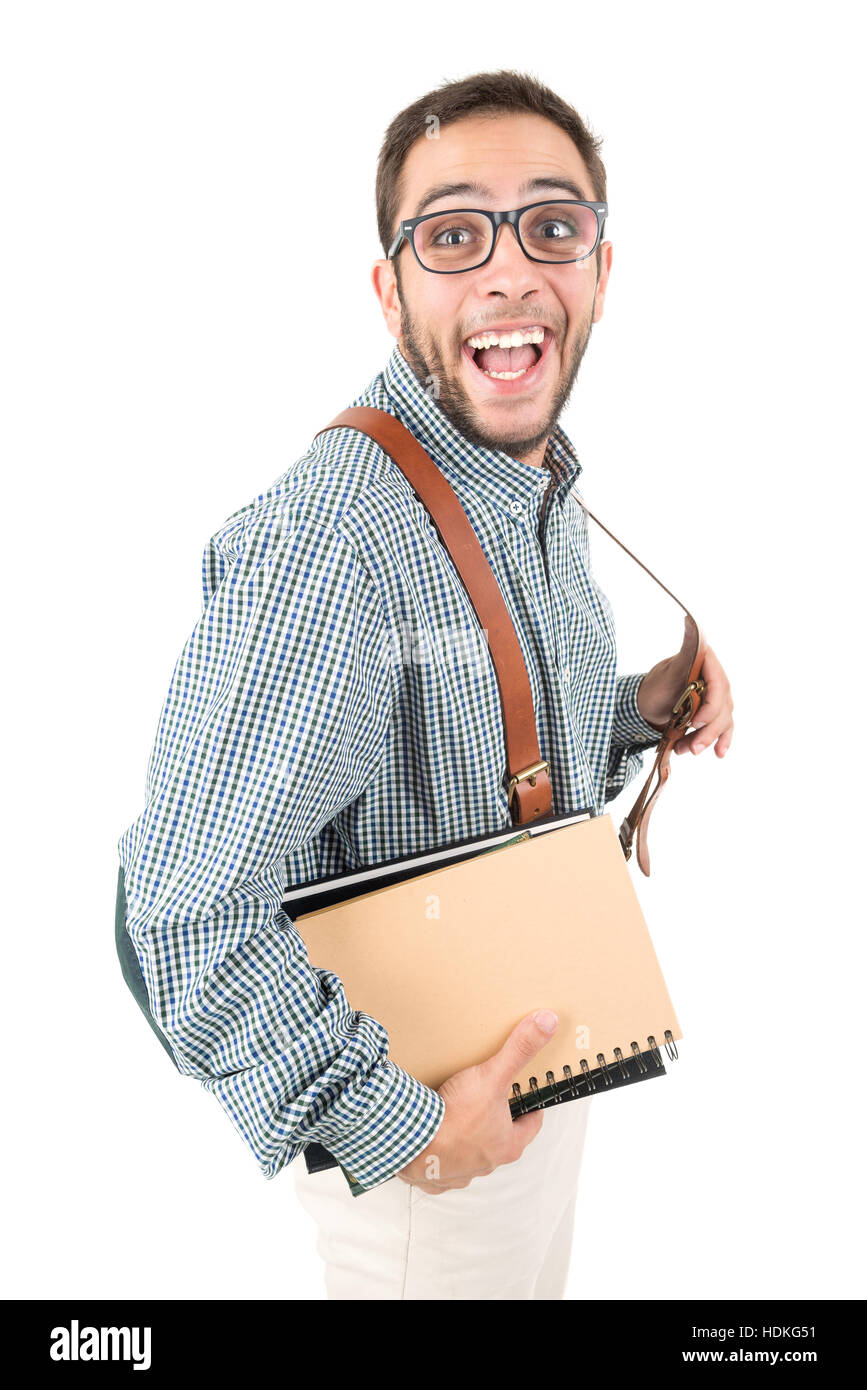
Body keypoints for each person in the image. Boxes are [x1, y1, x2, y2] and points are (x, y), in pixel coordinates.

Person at [117, 69, 734, 1301]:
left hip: (526, 1075)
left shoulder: (525, 476)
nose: (510, 269)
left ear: (600, 274)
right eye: (453, 234)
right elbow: (181, 913)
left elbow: (452, 736)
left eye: (552, 225)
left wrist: (633, 708)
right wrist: (402, 1128)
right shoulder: (333, 539)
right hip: (428, 1163)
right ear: (392, 293)